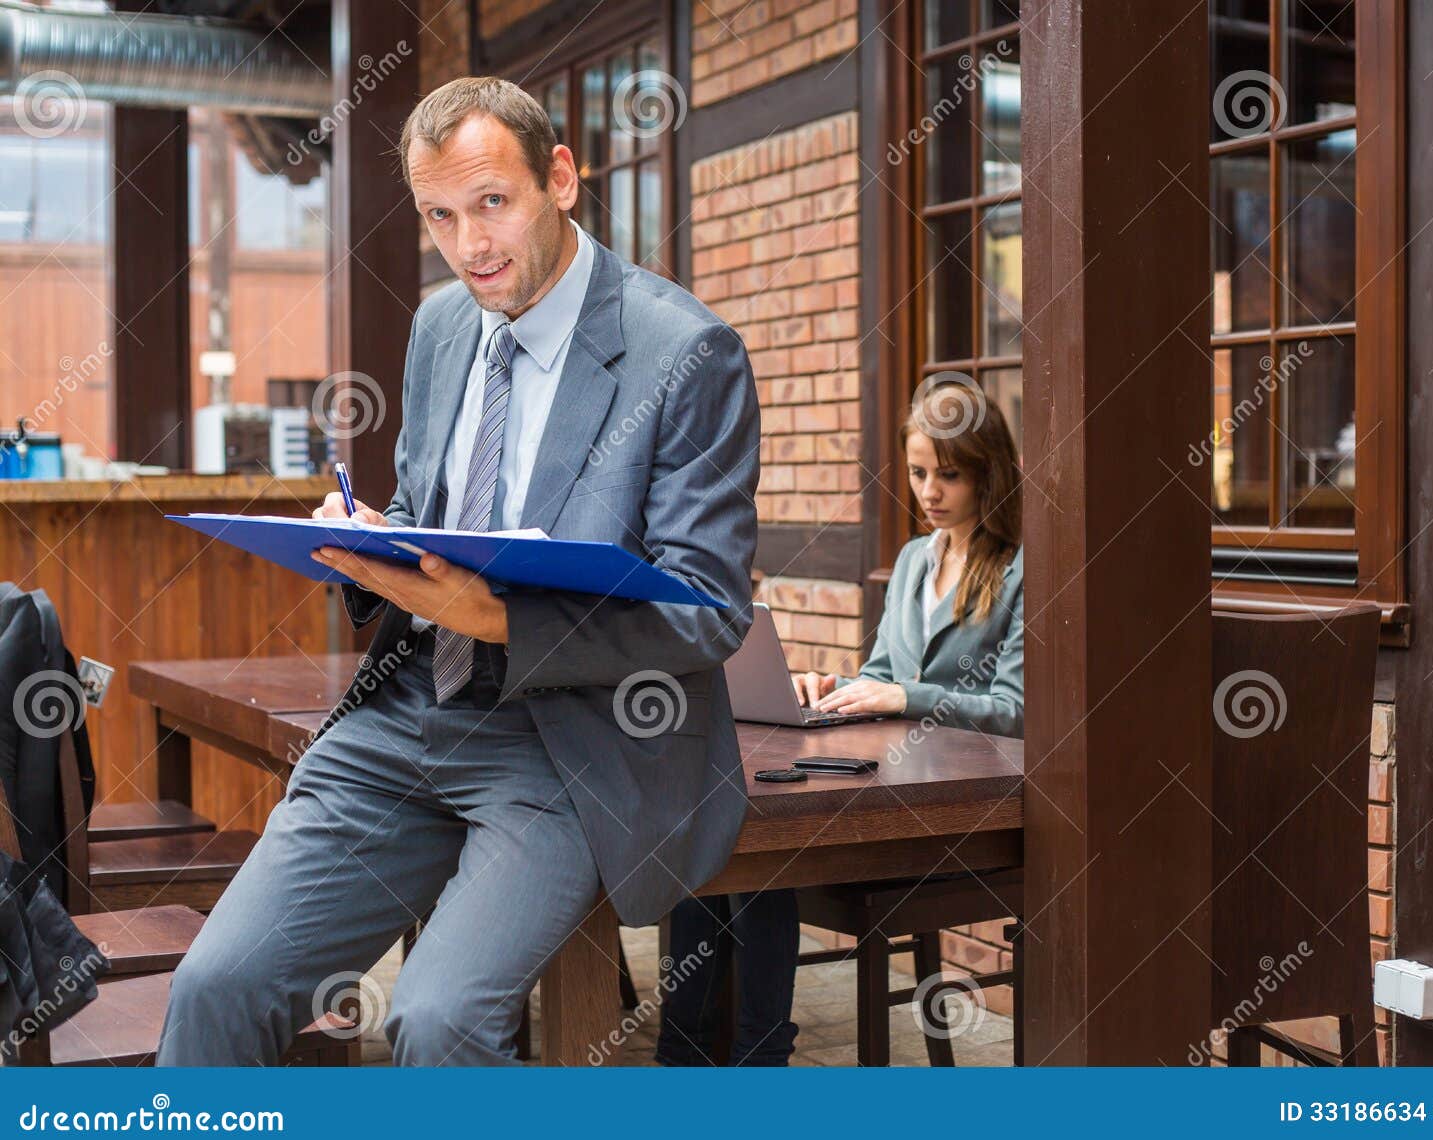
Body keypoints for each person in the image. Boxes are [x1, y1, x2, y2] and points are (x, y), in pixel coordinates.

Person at [157, 77, 759, 1066]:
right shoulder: (443, 325)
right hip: (404, 714)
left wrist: (496, 621)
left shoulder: (686, 353)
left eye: (494, 203)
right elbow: (425, 508)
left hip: (565, 747)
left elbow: (705, 609)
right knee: (217, 984)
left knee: (434, 1020)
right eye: (440, 215)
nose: (471, 245)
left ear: (558, 178)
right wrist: (363, 540)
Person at [654, 379, 1022, 1066]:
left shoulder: (1019, 570)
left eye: (949, 474)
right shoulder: (916, 558)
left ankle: (759, 1058)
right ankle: (687, 1055)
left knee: (760, 845)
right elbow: (883, 670)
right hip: (880, 776)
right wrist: (832, 685)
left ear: (987, 472)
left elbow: (1015, 709)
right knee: (718, 830)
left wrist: (901, 698)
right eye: (918, 473)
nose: (930, 491)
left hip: (951, 807)